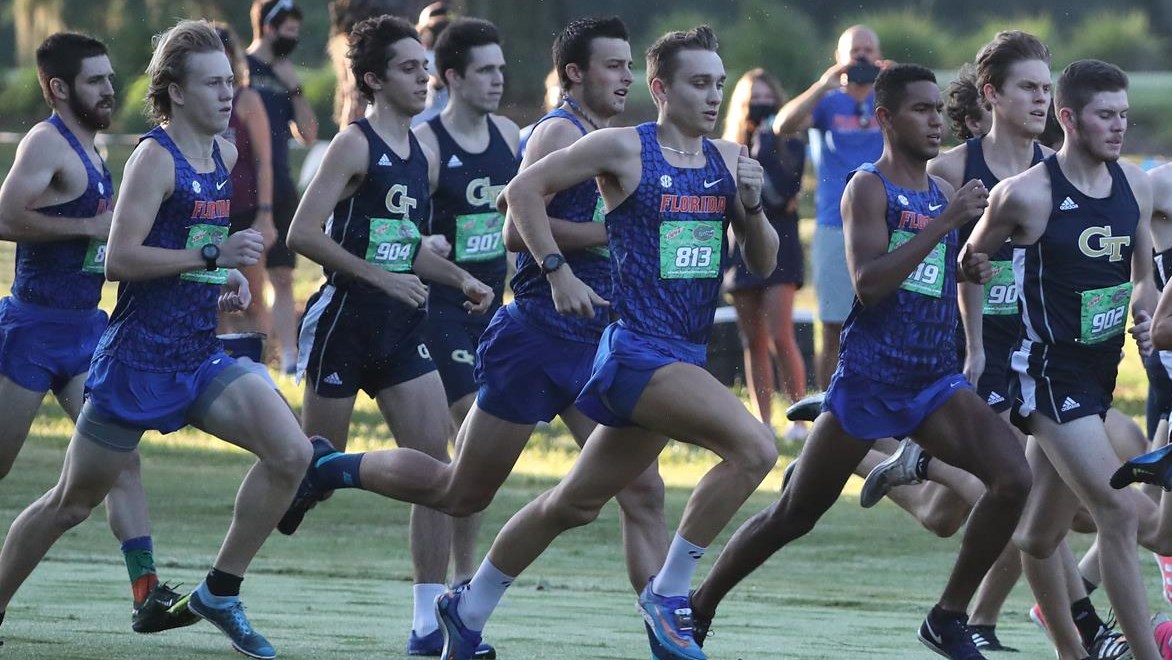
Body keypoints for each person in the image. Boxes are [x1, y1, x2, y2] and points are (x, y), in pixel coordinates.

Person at [278, 13, 668, 603]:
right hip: (466, 320)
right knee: (449, 479)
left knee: (636, 488)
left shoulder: (512, 137)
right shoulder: (444, 140)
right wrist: (567, 259)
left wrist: (456, 270)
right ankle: (267, 541)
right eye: (614, 65)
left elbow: (422, 228)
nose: (625, 77)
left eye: (628, 66)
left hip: (544, 323)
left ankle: (656, 617)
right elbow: (512, 221)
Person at [428, 25, 780, 660]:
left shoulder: (729, 160)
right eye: (699, 83)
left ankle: (468, 606)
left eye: (719, 84)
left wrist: (752, 208)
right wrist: (556, 271)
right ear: (660, 89)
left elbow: (762, 261)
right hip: (637, 355)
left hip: (682, 355)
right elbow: (520, 193)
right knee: (756, 448)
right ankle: (670, 592)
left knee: (573, 503)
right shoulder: (621, 147)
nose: (713, 96)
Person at [690, 64, 1032, 660]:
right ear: (885, 119)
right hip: (871, 381)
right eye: (920, 110)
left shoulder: (939, 193)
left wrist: (964, 267)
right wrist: (947, 226)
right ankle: (699, 606)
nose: (935, 121)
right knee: (794, 514)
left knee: (1013, 479)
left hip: (933, 380)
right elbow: (870, 284)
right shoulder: (868, 187)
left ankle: (948, 617)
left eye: (937, 110)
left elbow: (928, 272)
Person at [0, 21, 315, 660]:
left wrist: (221, 276)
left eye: (230, 81)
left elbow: (193, 252)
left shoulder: (224, 154)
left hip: (197, 356)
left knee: (291, 454)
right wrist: (212, 256)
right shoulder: (153, 157)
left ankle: (220, 591)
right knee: (70, 504)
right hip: (135, 362)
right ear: (174, 90)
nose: (228, 94)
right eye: (212, 83)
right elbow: (120, 259)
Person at [281, 15, 496, 657]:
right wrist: (382, 278)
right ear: (374, 80)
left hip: (401, 329)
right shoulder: (353, 144)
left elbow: (406, 244)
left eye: (424, 67)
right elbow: (302, 234)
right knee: (302, 471)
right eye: (408, 68)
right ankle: (224, 578)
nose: (423, 78)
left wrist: (459, 277)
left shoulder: (423, 153)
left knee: (436, 472)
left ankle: (428, 624)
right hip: (343, 323)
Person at [963, 58, 1162, 660]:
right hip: (1045, 376)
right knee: (1119, 512)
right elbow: (969, 263)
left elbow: (1142, 275)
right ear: (1068, 118)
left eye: (1124, 115)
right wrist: (976, 347)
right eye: (1106, 115)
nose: (1119, 126)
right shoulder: (1026, 194)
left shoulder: (1135, 184)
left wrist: (1145, 313)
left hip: (1098, 375)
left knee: (1038, 535)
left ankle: (1071, 652)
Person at [0, 30, 196, 635]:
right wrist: (88, 227)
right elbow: (5, 215)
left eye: (110, 77)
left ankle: (146, 593)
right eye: (95, 80)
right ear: (59, 88)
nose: (110, 89)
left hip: (87, 330)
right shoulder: (45, 142)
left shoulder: (93, 145)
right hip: (32, 331)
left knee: (121, 460)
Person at [410, 17, 518, 582]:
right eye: (485, 71)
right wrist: (420, 241)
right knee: (473, 423)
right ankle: (449, 583)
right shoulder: (427, 143)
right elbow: (388, 220)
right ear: (451, 76)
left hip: (492, 310)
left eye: (501, 69)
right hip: (439, 308)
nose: (498, 80)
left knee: (475, 457)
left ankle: (463, 579)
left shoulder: (510, 136)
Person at [773, 24, 885, 390]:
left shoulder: (889, 99)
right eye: (855, 51)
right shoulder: (828, 103)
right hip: (834, 223)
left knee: (886, 321)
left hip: (888, 222)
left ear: (879, 56)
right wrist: (824, 84)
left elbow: (937, 127)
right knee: (833, 324)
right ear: (839, 58)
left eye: (868, 50)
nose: (862, 56)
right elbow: (782, 125)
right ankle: (829, 406)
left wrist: (897, 81)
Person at [721, 68, 807, 439]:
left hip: (781, 246)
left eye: (766, 97)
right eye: (753, 99)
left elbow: (782, 194)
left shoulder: (792, 144)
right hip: (739, 248)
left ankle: (799, 421)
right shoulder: (728, 148)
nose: (760, 104)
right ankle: (764, 421)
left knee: (780, 333)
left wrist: (765, 143)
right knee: (751, 338)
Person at [247, 0, 318, 375]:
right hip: (243, 188)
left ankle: (289, 359)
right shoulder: (241, 69)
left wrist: (296, 89)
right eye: (287, 30)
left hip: (281, 185)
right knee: (248, 276)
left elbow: (309, 135)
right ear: (268, 27)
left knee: (283, 275)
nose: (293, 37)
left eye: (297, 31)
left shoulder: (287, 75)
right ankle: (250, 354)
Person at [216, 26, 276, 342]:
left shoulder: (246, 98)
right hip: (209, 212)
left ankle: (260, 361)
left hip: (244, 209)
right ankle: (215, 361)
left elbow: (263, 160)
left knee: (251, 295)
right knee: (212, 300)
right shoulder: (193, 105)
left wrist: (265, 214)